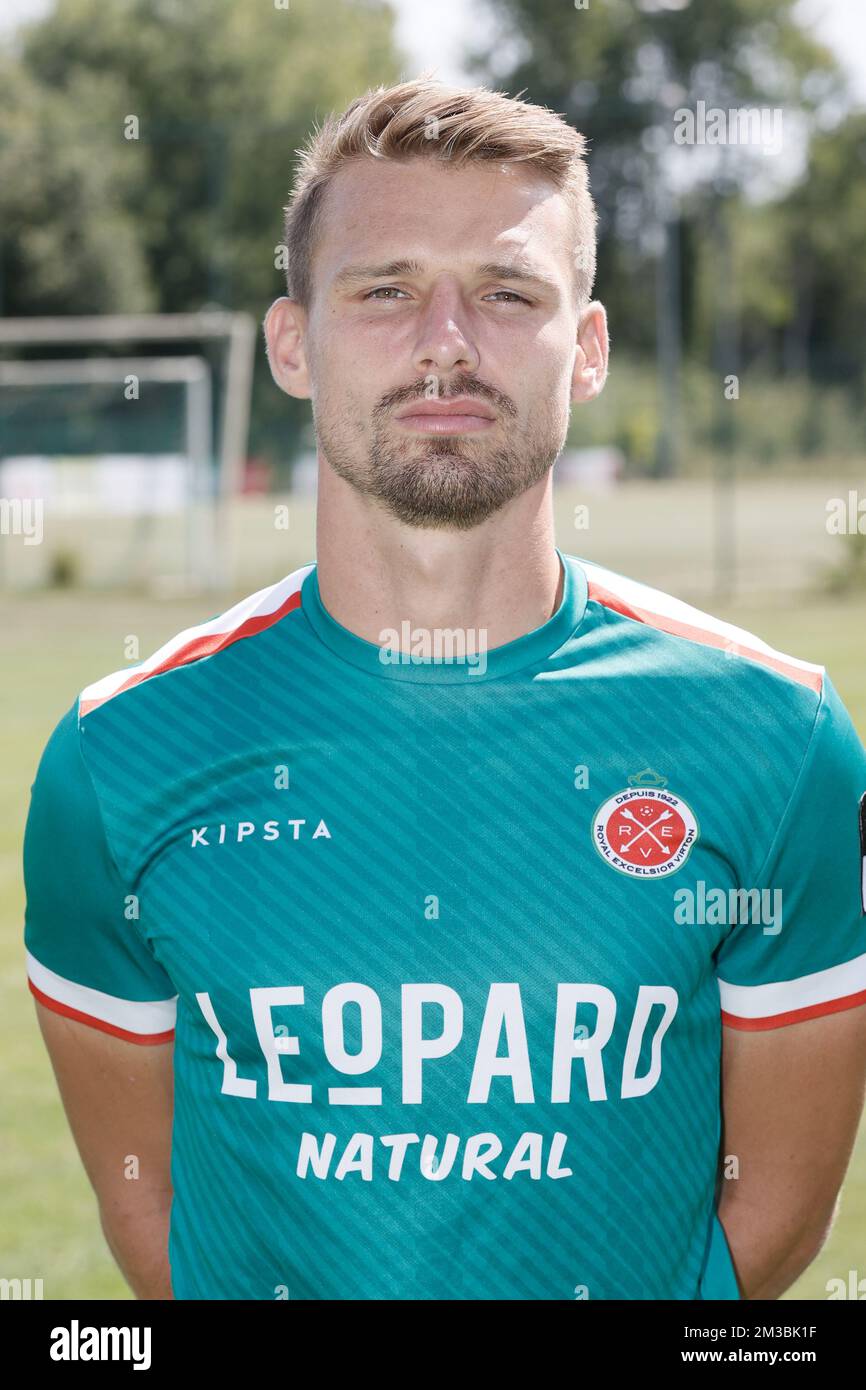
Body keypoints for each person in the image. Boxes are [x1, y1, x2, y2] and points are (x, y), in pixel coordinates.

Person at [23, 77, 866, 1301]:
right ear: (292, 344)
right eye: (386, 288)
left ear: (585, 350)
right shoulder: (118, 758)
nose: (445, 342)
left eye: (507, 292)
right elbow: (148, 1205)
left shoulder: (777, 738)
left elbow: (774, 1210)